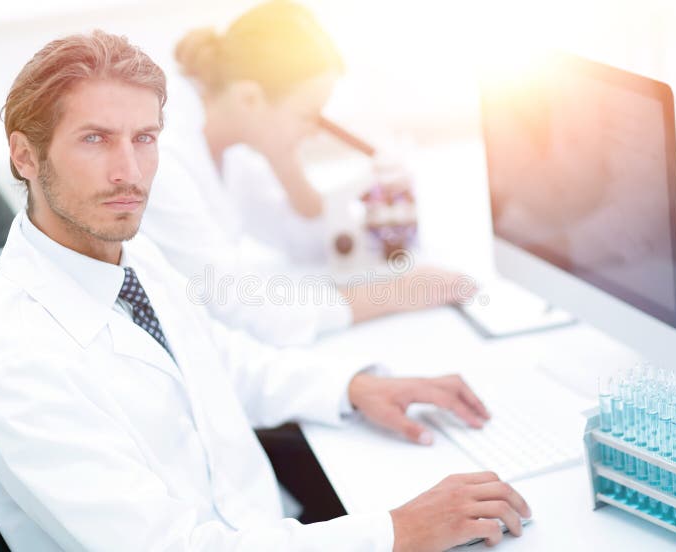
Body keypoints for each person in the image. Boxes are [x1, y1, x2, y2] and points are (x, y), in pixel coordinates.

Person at [0, 31, 530, 551]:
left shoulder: (130, 253)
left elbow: (217, 360)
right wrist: (396, 532)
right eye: (96, 139)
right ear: (24, 155)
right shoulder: (15, 362)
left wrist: (353, 388)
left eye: (144, 138)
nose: (129, 170)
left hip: (270, 526)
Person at [140, 0, 475, 346]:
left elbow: (307, 246)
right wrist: (394, 294)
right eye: (308, 114)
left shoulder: (231, 140)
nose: (315, 132)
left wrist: (284, 157)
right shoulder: (163, 157)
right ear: (250, 98)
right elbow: (235, 307)